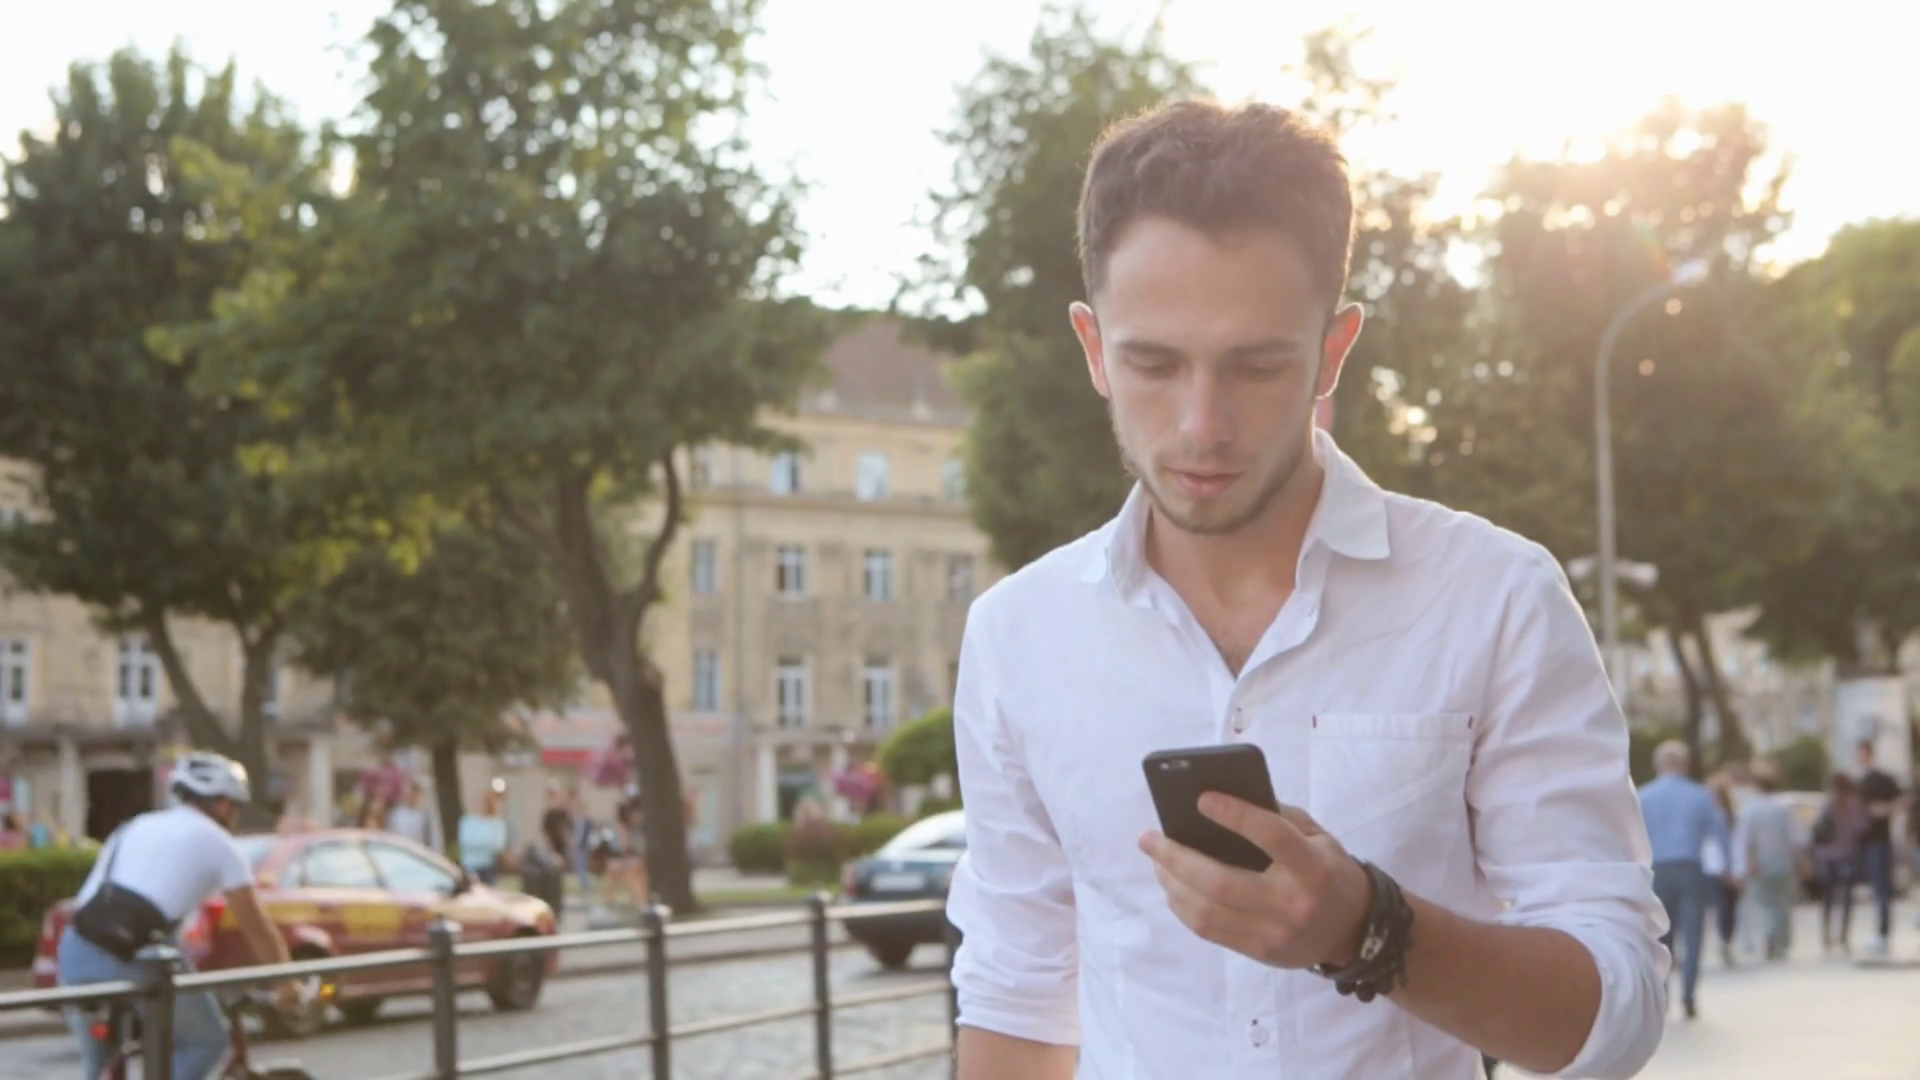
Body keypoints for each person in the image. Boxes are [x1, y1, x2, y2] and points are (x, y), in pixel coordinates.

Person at [946, 100, 1668, 1080]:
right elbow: (1018, 999)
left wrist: (1372, 929)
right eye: (1153, 362)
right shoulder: (1018, 637)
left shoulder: (1493, 598)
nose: (1203, 425)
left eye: (1258, 364)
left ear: (1333, 351)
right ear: (1092, 347)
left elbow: (1613, 1015)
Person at [56, 752, 301, 1080]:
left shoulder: (135, 826)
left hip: (76, 952)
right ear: (225, 805)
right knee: (206, 1042)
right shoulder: (220, 845)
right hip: (137, 957)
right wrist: (286, 983)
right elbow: (256, 926)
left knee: (100, 1067)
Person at [1638, 741, 1729, 1017]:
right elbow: (1720, 832)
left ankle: (1662, 991)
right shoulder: (1700, 795)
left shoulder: (1643, 796)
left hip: (1657, 871)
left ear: (1658, 765)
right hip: (1690, 867)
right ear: (1684, 764)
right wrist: (1729, 867)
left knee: (1659, 935)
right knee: (1693, 933)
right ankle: (1689, 994)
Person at [1736, 765, 1802, 960]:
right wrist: (1801, 861)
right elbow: (1796, 838)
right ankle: (1782, 941)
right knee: (1782, 905)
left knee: (1764, 904)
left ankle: (1770, 936)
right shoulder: (1784, 808)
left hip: (1760, 863)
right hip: (1782, 863)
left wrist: (1749, 862)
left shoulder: (1750, 810)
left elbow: (1746, 841)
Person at [1854, 740, 1903, 956]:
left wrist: (1885, 809)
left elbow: (1902, 799)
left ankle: (1883, 933)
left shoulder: (1881, 779)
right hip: (1864, 841)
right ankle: (1879, 932)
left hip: (1879, 840)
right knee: (1875, 888)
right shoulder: (1859, 780)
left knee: (1881, 888)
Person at [1811, 770, 1867, 952]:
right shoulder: (1854, 803)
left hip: (1827, 856)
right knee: (1846, 898)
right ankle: (1843, 936)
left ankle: (1826, 935)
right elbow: (1861, 827)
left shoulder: (1828, 803)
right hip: (1847, 855)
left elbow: (1818, 828)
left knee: (1828, 898)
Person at [457, 790, 510, 886]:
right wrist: (486, 842)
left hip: (488, 867)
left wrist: (478, 842)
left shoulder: (497, 822)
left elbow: (498, 845)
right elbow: (465, 842)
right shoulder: (467, 821)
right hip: (470, 867)